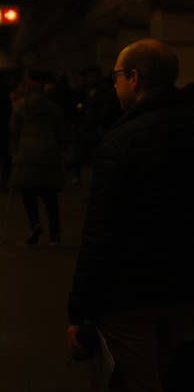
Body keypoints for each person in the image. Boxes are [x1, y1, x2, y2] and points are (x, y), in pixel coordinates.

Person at [67, 38, 194, 391]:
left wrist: (79, 311)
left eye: (117, 76)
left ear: (134, 78)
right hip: (185, 290)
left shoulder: (122, 140)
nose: (114, 85)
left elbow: (100, 235)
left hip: (130, 297)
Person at [9, 69, 65, 244]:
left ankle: (35, 223)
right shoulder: (53, 107)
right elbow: (61, 131)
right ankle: (55, 235)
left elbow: (14, 131)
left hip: (26, 152)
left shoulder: (20, 107)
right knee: (50, 195)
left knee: (28, 192)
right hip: (49, 152)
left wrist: (15, 151)